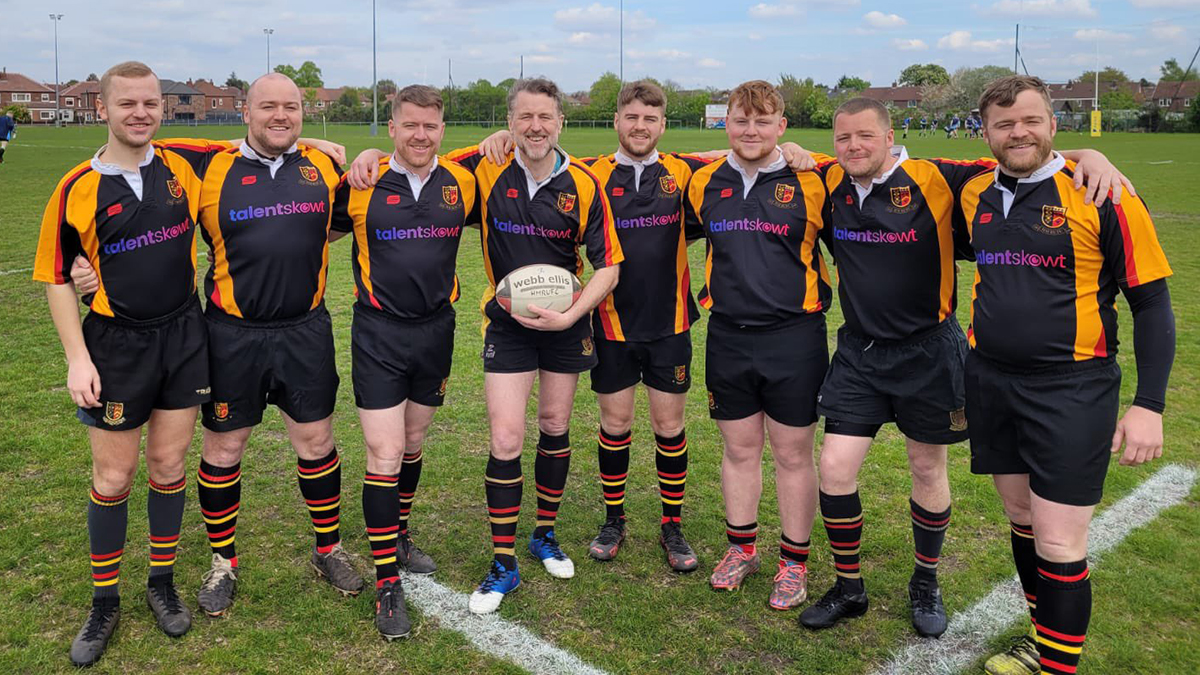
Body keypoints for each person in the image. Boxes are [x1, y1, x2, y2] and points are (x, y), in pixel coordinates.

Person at [788, 97, 1134, 638]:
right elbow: (753, 152)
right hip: (859, 352)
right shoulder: (829, 180)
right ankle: (849, 587)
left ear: (889, 135)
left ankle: (926, 580)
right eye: (842, 138)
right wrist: (790, 148)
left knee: (927, 469)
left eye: (865, 137)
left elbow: (1024, 158)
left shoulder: (940, 179)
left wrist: (1089, 153)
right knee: (834, 468)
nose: (854, 147)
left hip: (930, 351)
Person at [74, 72, 361, 617]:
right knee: (224, 449)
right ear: (245, 112)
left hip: (305, 330)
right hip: (230, 333)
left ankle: (328, 550)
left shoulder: (325, 165)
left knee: (317, 442)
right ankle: (221, 563)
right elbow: (122, 152)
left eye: (292, 108)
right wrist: (82, 264)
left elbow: (342, 221)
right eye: (269, 107)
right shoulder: (206, 164)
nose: (281, 116)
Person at [348, 77, 624, 615]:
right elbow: (418, 157)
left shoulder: (586, 183)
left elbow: (608, 265)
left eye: (545, 117)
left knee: (554, 426)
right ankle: (503, 563)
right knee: (504, 437)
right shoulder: (484, 169)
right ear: (511, 122)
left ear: (561, 122)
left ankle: (544, 534)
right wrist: (370, 151)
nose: (535, 127)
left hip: (565, 322)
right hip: (506, 324)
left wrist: (571, 313)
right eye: (524, 117)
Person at [960, 76, 1174, 675]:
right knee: (1022, 518)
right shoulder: (974, 187)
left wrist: (1149, 404)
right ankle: (1045, 641)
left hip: (1072, 387)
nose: (1018, 133)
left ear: (1054, 124)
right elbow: (869, 151)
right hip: (991, 380)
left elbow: (1152, 303)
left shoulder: (1104, 194)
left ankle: (1055, 667)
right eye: (1003, 124)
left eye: (1030, 120)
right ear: (986, 133)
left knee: (1058, 540)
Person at [36, 60, 218, 667]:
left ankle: (160, 583)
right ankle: (104, 600)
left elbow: (253, 143)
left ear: (161, 108)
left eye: (150, 104)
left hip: (184, 335)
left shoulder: (182, 166)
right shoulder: (75, 188)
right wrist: (76, 359)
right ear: (103, 109)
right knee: (114, 477)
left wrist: (321, 141)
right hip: (116, 344)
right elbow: (59, 280)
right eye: (127, 104)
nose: (140, 114)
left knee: (169, 465)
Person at [329, 84, 476, 639]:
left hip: (437, 330)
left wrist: (506, 134)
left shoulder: (462, 182)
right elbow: (302, 235)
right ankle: (388, 582)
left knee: (413, 444)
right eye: (409, 125)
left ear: (442, 130)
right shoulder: (360, 183)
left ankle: (400, 533)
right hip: (378, 332)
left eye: (431, 127)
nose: (420, 135)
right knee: (385, 451)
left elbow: (523, 170)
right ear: (391, 128)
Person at [684, 80, 829, 610]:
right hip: (727, 336)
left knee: (793, 455)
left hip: (795, 338)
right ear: (726, 124)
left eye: (763, 122)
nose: (751, 131)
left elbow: (880, 163)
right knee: (739, 450)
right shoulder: (702, 179)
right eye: (741, 121)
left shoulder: (814, 178)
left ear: (781, 127)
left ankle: (794, 563)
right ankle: (741, 548)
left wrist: (1081, 153)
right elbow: (642, 155)